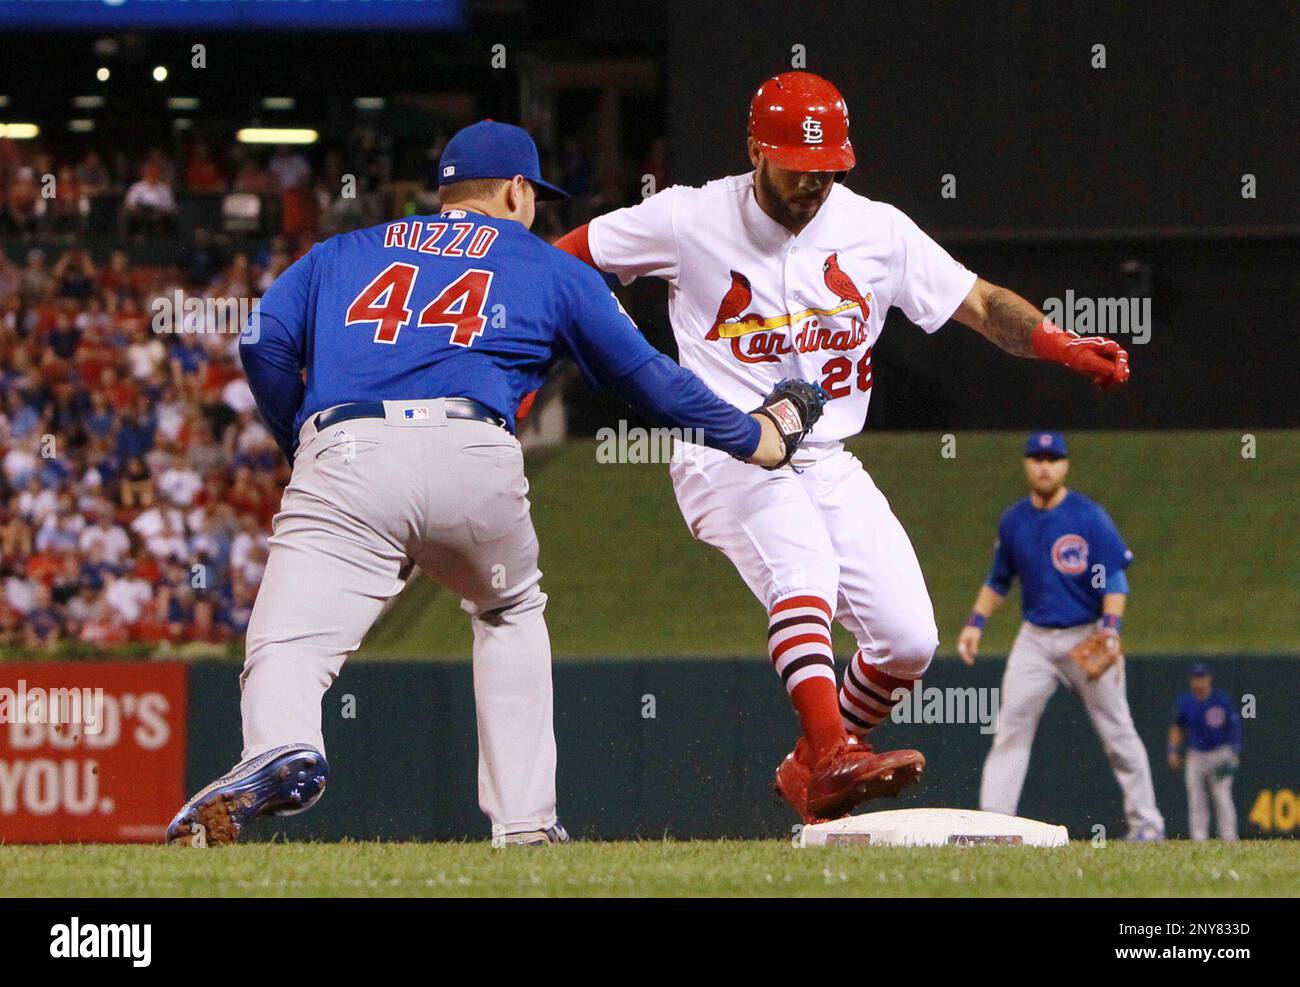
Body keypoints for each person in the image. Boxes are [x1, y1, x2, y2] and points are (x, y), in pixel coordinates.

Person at [166, 120, 817, 848]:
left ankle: (280, 744)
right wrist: (754, 434)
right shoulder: (544, 266)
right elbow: (651, 383)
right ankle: (527, 821)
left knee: (289, 642)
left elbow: (261, 339)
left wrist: (304, 442)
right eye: (534, 195)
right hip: (472, 448)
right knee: (508, 607)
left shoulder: (344, 251)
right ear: (516, 190)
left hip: (344, 448)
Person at [553, 71, 1131, 824]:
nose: (817, 181)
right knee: (806, 568)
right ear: (757, 148)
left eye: (831, 167)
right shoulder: (687, 217)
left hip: (825, 455)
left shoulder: (875, 230)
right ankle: (832, 752)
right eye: (800, 163)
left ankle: (808, 768)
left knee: (907, 637)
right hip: (725, 445)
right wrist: (616, 348)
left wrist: (1060, 343)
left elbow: (982, 303)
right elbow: (563, 262)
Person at [957, 431, 1165, 840]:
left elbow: (1116, 580)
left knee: (1118, 731)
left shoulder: (1088, 516)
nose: (1045, 465)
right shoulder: (1014, 519)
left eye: (1053, 458)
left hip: (1085, 633)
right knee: (1010, 731)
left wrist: (1110, 628)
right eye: (1037, 458)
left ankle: (1148, 825)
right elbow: (999, 580)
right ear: (1026, 464)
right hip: (1034, 639)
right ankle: (994, 828)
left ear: (1065, 465)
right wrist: (974, 623)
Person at [1168, 663, 1241, 840]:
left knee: (1222, 796)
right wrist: (1173, 751)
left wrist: (1234, 753)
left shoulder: (1221, 700)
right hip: (1196, 755)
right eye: (1195, 678)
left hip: (1219, 753)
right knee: (1196, 798)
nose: (1199, 681)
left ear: (1209, 679)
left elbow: (1234, 726)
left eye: (1202, 677)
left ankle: (1229, 837)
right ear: (1191, 680)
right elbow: (1176, 727)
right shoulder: (1185, 702)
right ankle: (1198, 838)